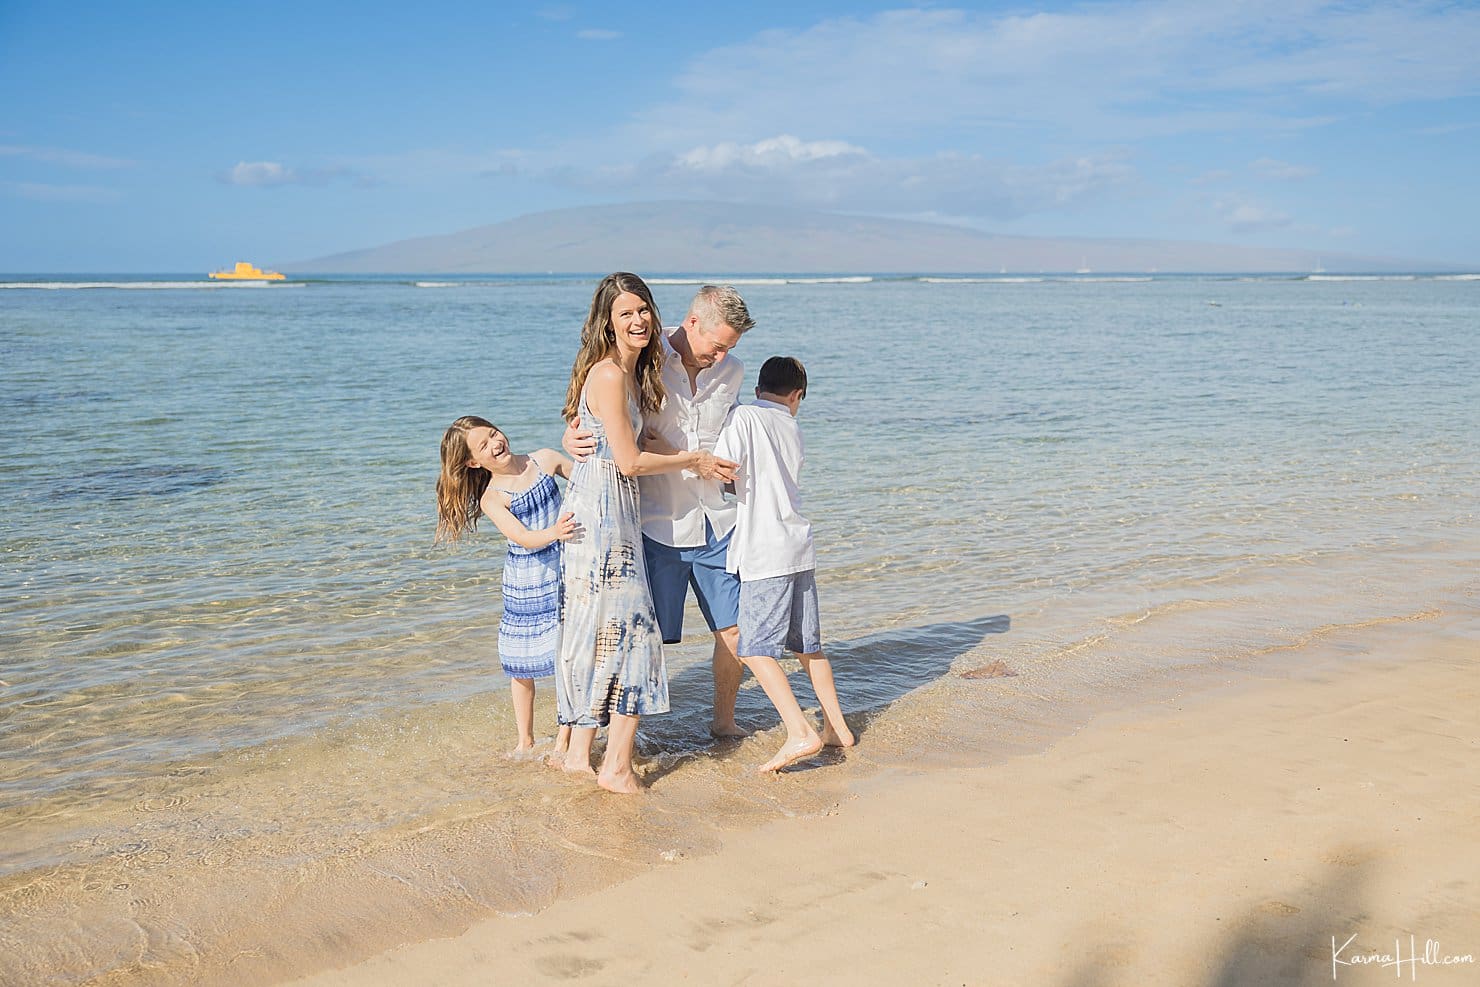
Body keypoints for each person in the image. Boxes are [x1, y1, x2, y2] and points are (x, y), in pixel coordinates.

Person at [556, 273, 738, 794]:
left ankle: (573, 755)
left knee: (600, 629)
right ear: (607, 324)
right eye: (624, 314)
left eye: (643, 310)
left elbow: (615, 435)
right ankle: (612, 768)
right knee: (631, 634)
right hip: (603, 510)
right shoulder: (612, 375)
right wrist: (694, 459)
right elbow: (630, 461)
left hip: (617, 504)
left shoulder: (635, 370)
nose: (637, 321)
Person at [713, 357, 855, 773]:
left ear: (758, 389)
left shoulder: (744, 416)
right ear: (797, 397)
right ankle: (836, 728)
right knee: (808, 646)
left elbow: (723, 472)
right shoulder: (793, 427)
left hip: (765, 551)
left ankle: (799, 731)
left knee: (753, 648)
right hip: (798, 547)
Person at [435, 416, 577, 756]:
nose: (496, 443)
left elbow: (587, 482)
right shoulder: (492, 498)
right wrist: (555, 532)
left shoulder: (543, 459)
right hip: (525, 581)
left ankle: (564, 740)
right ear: (472, 462)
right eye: (483, 445)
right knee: (520, 664)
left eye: (494, 434)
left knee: (566, 658)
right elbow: (524, 538)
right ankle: (524, 740)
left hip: (566, 570)